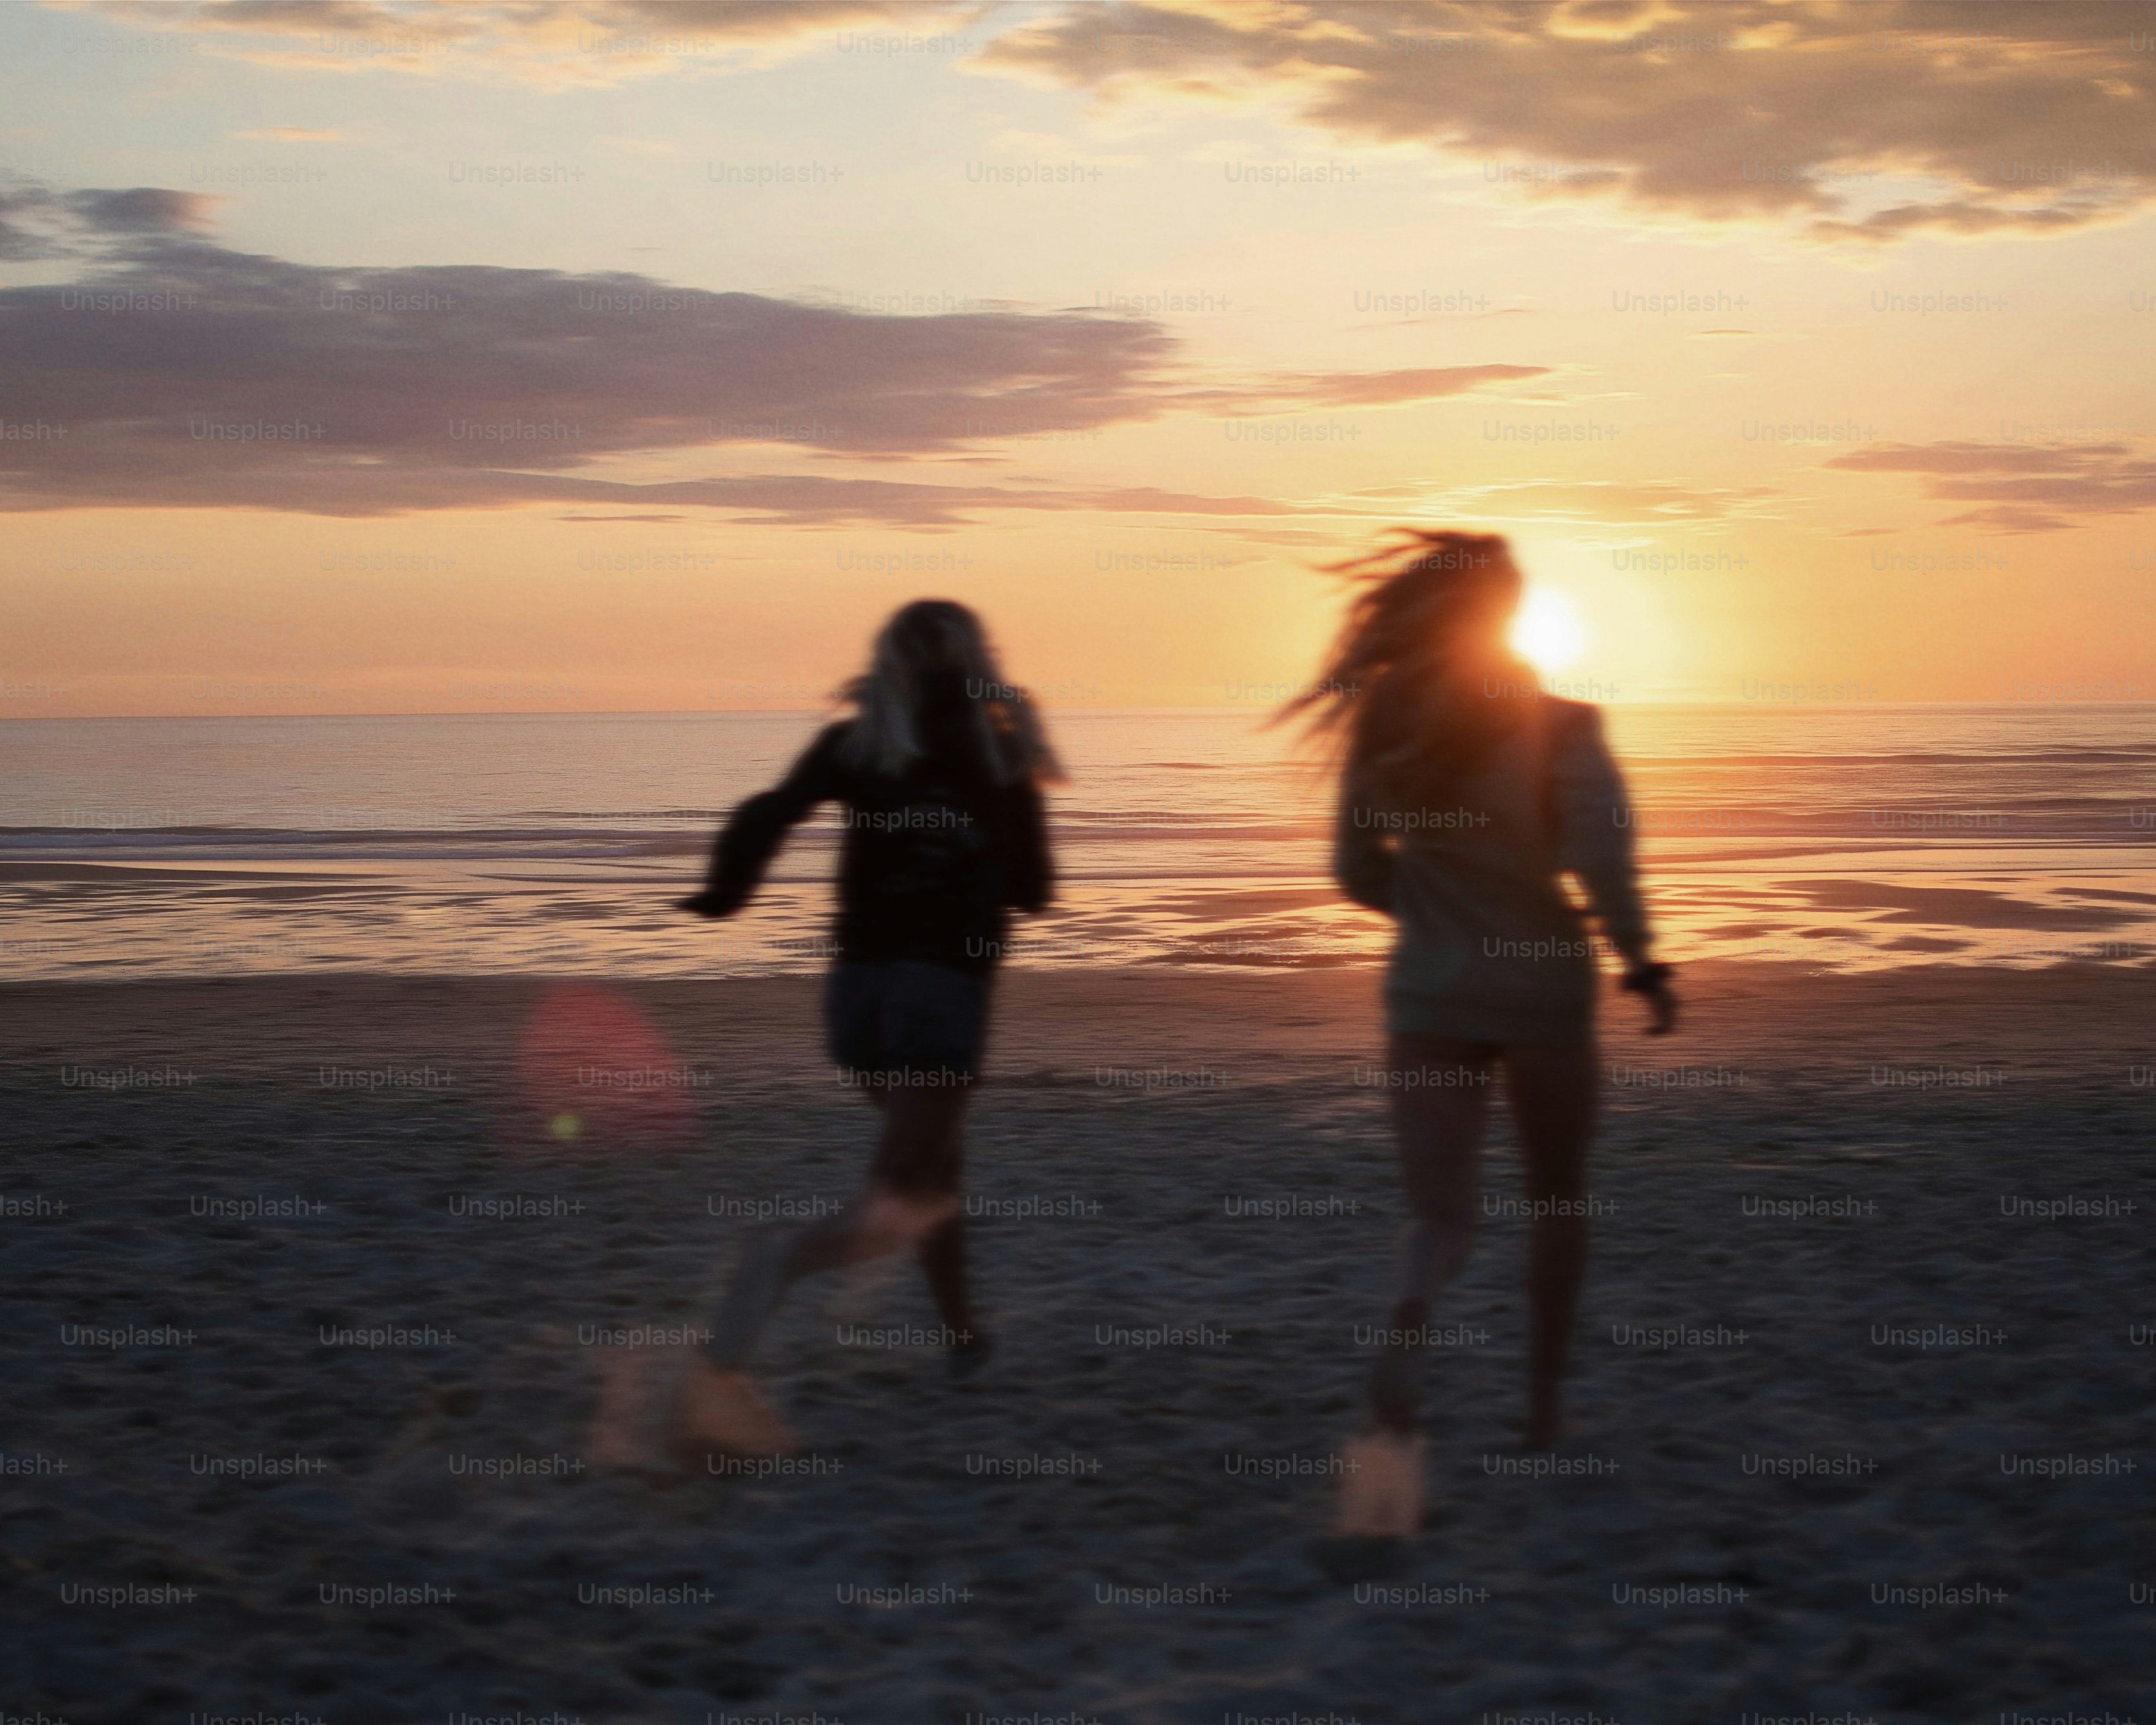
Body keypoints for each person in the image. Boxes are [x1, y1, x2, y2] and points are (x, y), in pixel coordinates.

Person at [1282, 530, 1676, 1473]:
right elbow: (1603, 862)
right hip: (1543, 992)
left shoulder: (1388, 732)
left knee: (1440, 1218)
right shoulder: (1564, 726)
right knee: (1557, 1203)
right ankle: (1541, 1413)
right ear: (1507, 614)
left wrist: (1431, 913)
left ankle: (1413, 1308)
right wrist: (1642, 963)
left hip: (1430, 995)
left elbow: (1352, 868)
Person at [661, 599, 1056, 1460]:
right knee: (903, 1196)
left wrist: (723, 894)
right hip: (938, 996)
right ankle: (766, 1283)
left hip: (858, 1002)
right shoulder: (998, 754)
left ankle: (963, 1337)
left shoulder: (857, 742)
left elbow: (770, 813)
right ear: (978, 661)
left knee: (936, 1172)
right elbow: (1035, 891)